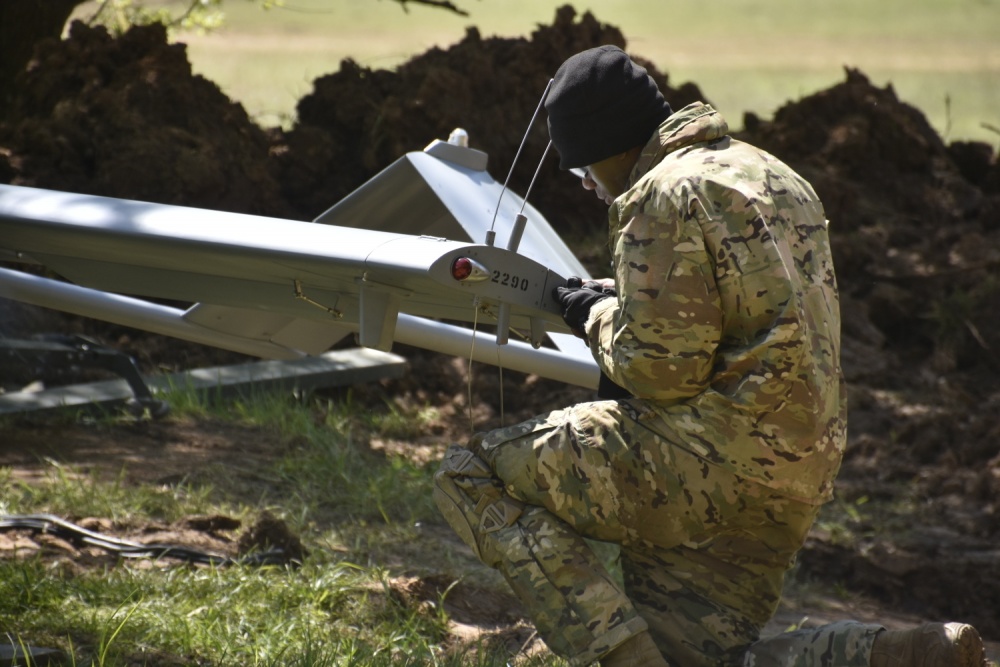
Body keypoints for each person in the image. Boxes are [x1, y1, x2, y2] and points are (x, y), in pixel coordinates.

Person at [433, 45, 987, 667]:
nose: (586, 184)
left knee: (468, 474)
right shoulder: (776, 175)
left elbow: (658, 371)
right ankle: (899, 656)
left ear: (612, 143)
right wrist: (624, 298)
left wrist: (589, 312)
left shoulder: (659, 195)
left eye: (582, 168)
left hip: (705, 459)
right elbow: (747, 313)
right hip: (797, 472)